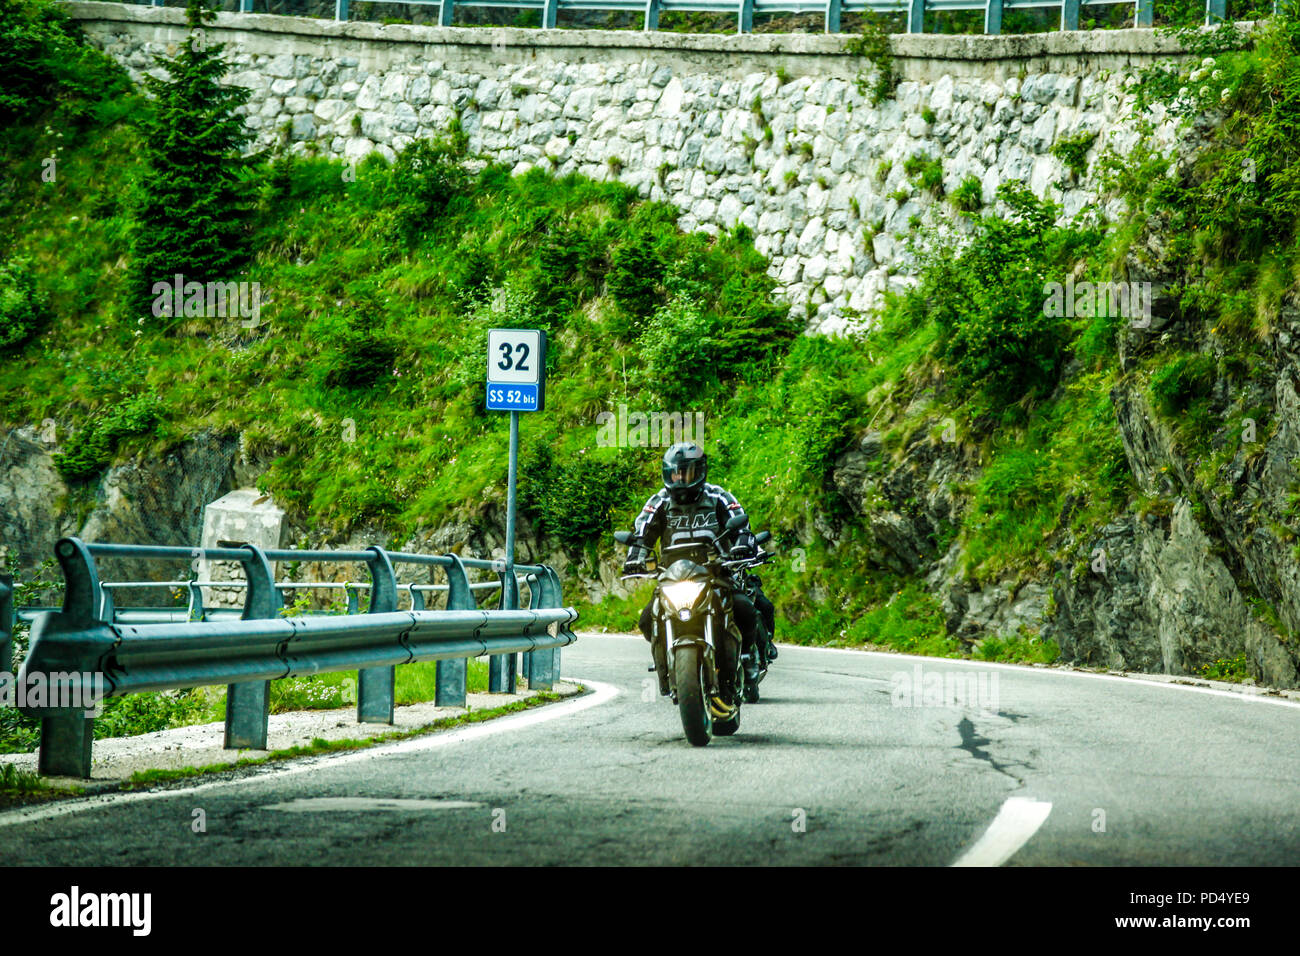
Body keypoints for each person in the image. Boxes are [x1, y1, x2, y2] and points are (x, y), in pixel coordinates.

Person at [623, 442, 777, 702]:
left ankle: (748, 659)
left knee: (745, 609)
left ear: (700, 471)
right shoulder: (658, 502)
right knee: (647, 619)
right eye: (676, 473)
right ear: (667, 474)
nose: (681, 478)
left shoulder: (718, 496)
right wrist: (635, 557)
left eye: (687, 472)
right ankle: (667, 667)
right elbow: (642, 533)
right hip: (674, 576)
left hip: (717, 573)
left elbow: (741, 524)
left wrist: (741, 545)